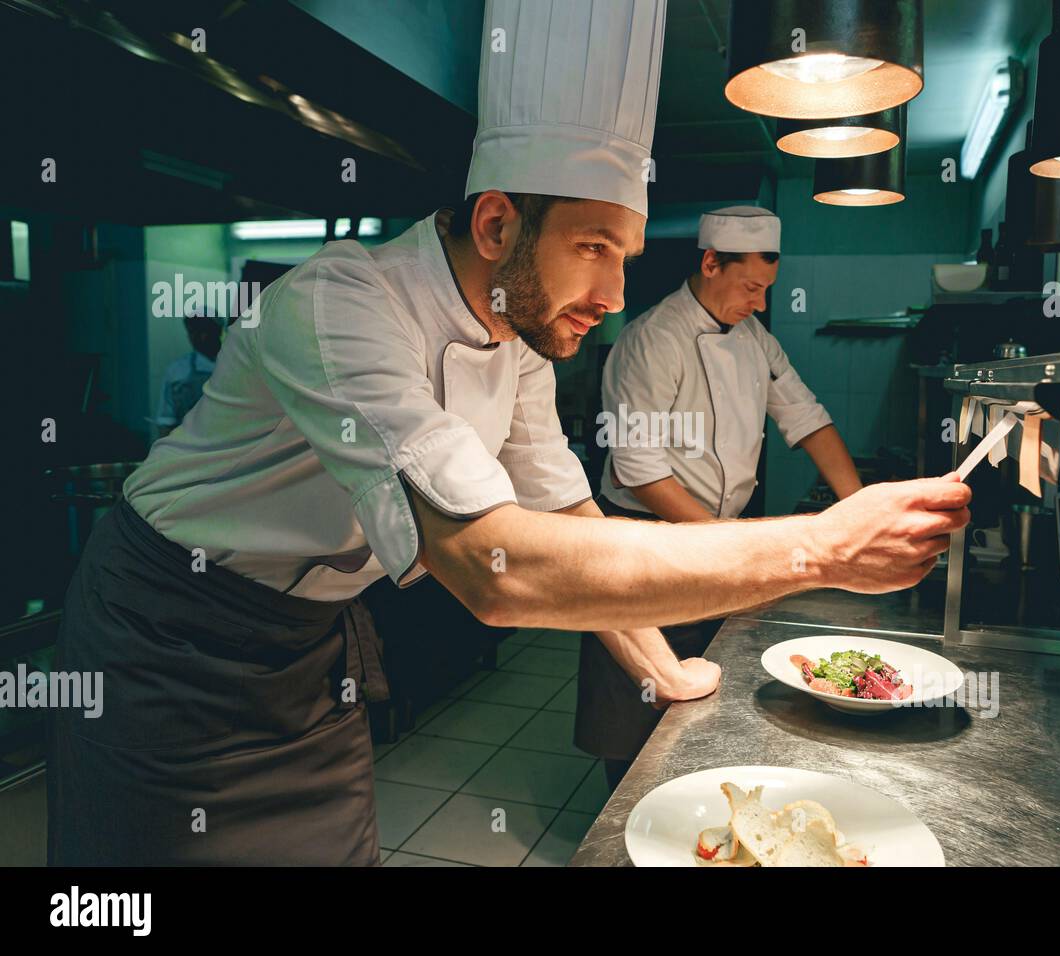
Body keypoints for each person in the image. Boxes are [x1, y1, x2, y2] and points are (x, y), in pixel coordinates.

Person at [48, 0, 970, 866]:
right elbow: (495, 567)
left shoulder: (518, 342)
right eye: (594, 248)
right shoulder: (339, 304)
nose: (613, 299)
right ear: (497, 222)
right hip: (167, 631)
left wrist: (666, 666)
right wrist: (821, 547)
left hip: (307, 639)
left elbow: (569, 507)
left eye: (627, 257)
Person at [576, 207, 863, 787]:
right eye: (751, 286)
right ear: (711, 263)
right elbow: (639, 472)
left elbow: (806, 418)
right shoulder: (651, 340)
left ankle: (690, 801)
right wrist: (730, 548)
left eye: (766, 289)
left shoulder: (754, 337)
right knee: (636, 696)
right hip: (642, 537)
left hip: (710, 529)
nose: (759, 302)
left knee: (704, 684)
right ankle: (618, 829)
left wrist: (859, 511)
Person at [153, 313, 222, 438]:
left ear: (218, 331)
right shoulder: (177, 371)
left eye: (205, 330)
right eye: (193, 331)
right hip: (189, 446)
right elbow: (166, 421)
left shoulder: (235, 365)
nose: (200, 337)